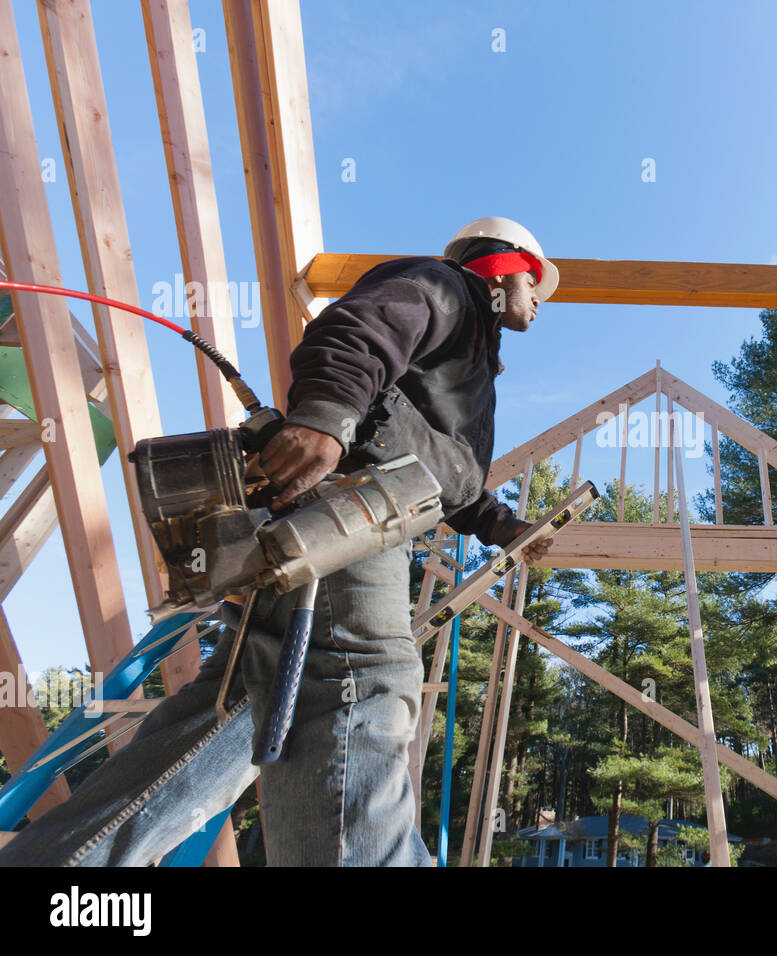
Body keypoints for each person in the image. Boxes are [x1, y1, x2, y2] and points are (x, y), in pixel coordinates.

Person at [0, 216, 557, 866]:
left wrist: (500, 526)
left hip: (346, 519)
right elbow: (357, 332)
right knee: (361, 682)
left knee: (238, 712)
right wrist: (323, 420)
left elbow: (443, 471)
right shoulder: (444, 289)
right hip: (348, 514)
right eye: (536, 280)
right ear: (503, 265)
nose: (541, 297)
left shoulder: (469, 369)